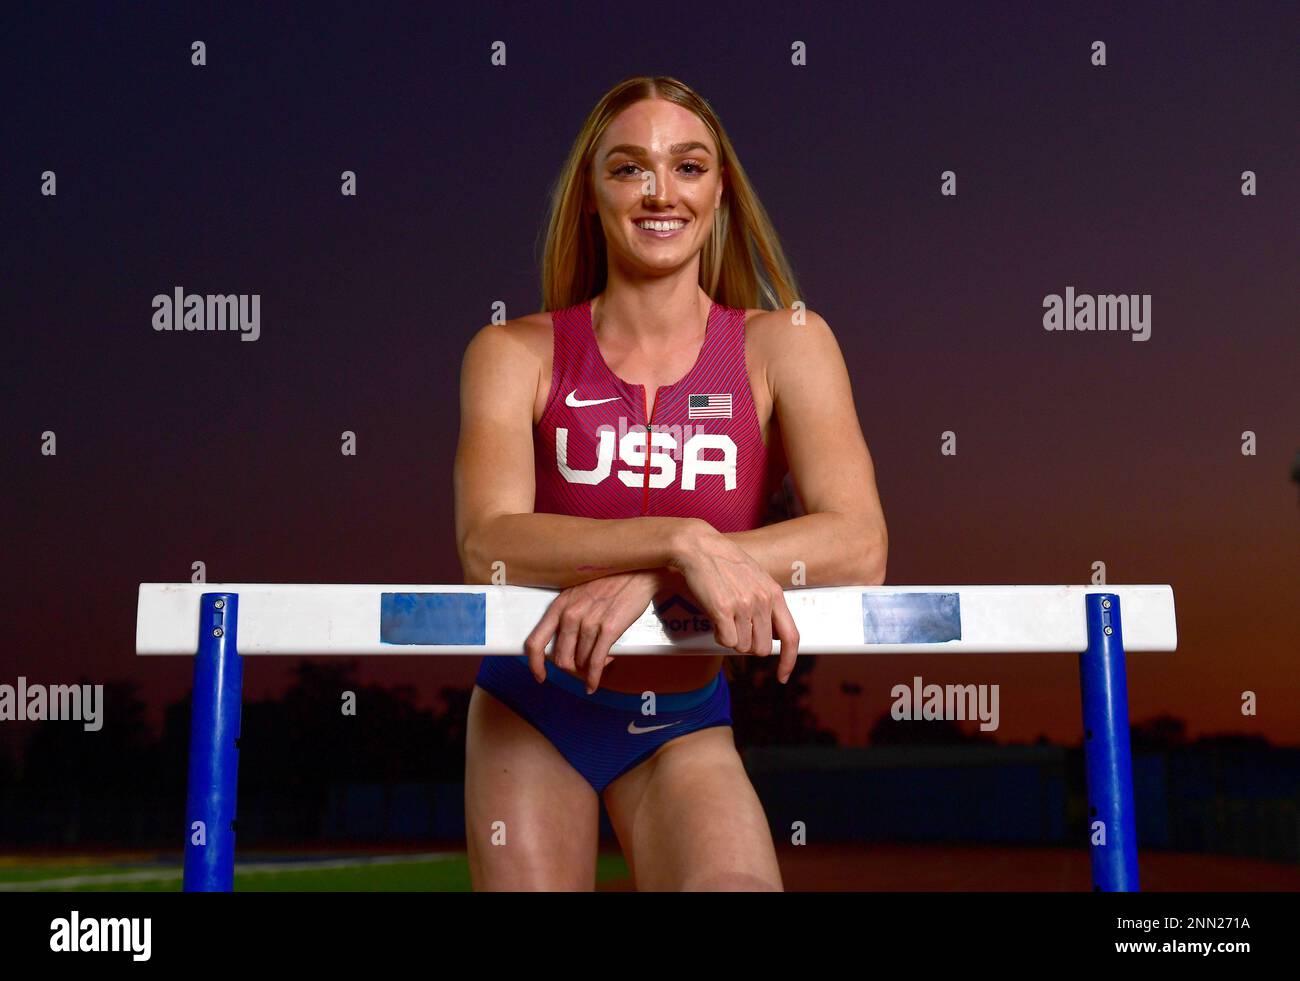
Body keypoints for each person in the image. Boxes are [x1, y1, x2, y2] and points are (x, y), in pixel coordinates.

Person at [454, 75, 887, 891]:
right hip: (532, 708)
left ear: (720, 190)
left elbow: (859, 544)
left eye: (688, 167)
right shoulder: (512, 352)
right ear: (591, 192)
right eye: (628, 168)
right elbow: (488, 545)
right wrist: (678, 538)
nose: (661, 192)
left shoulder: (785, 344)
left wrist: (658, 576)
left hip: (681, 719)